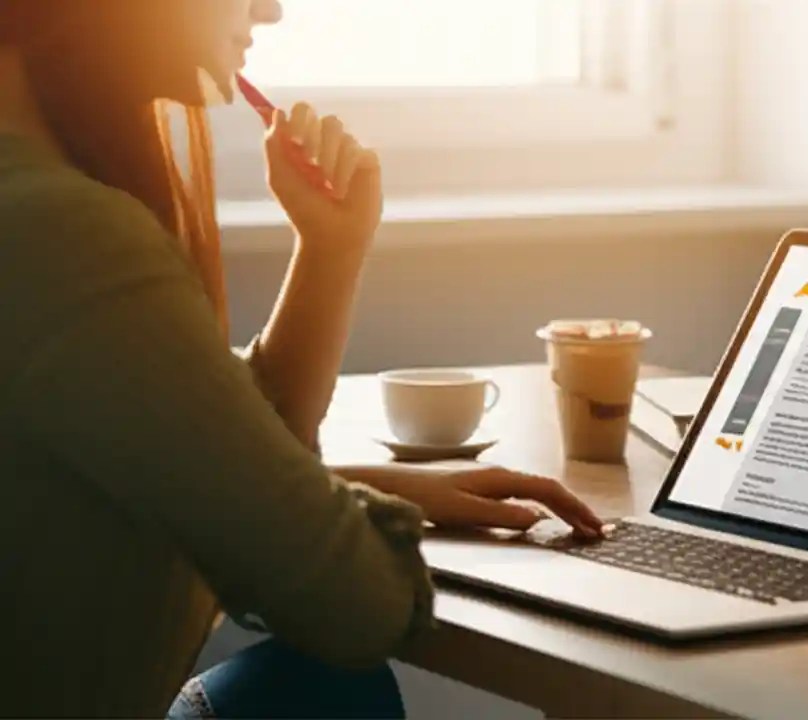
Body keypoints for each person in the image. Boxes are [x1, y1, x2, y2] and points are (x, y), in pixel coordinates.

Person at [0, 1, 603, 717]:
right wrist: (332, 507)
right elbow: (357, 606)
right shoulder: (61, 235)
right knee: (337, 689)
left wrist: (330, 248)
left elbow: (185, 457)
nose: (270, 9)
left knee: (313, 689)